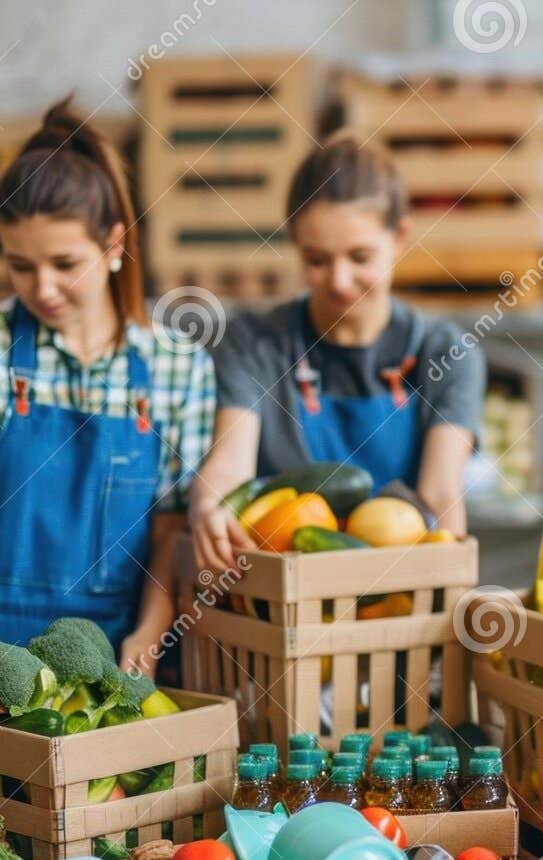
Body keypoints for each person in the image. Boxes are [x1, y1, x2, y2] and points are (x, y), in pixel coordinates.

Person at [0, 98, 215, 786]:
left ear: (116, 245)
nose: (44, 288)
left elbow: (169, 537)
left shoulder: (178, 367)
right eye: (21, 266)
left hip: (91, 683)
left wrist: (146, 644)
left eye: (65, 263)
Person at [190, 136, 484, 571]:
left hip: (398, 592)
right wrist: (209, 505)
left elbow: (440, 497)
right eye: (317, 260)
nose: (340, 281)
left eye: (360, 256)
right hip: (285, 598)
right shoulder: (253, 344)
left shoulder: (446, 352)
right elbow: (229, 465)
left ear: (400, 236)